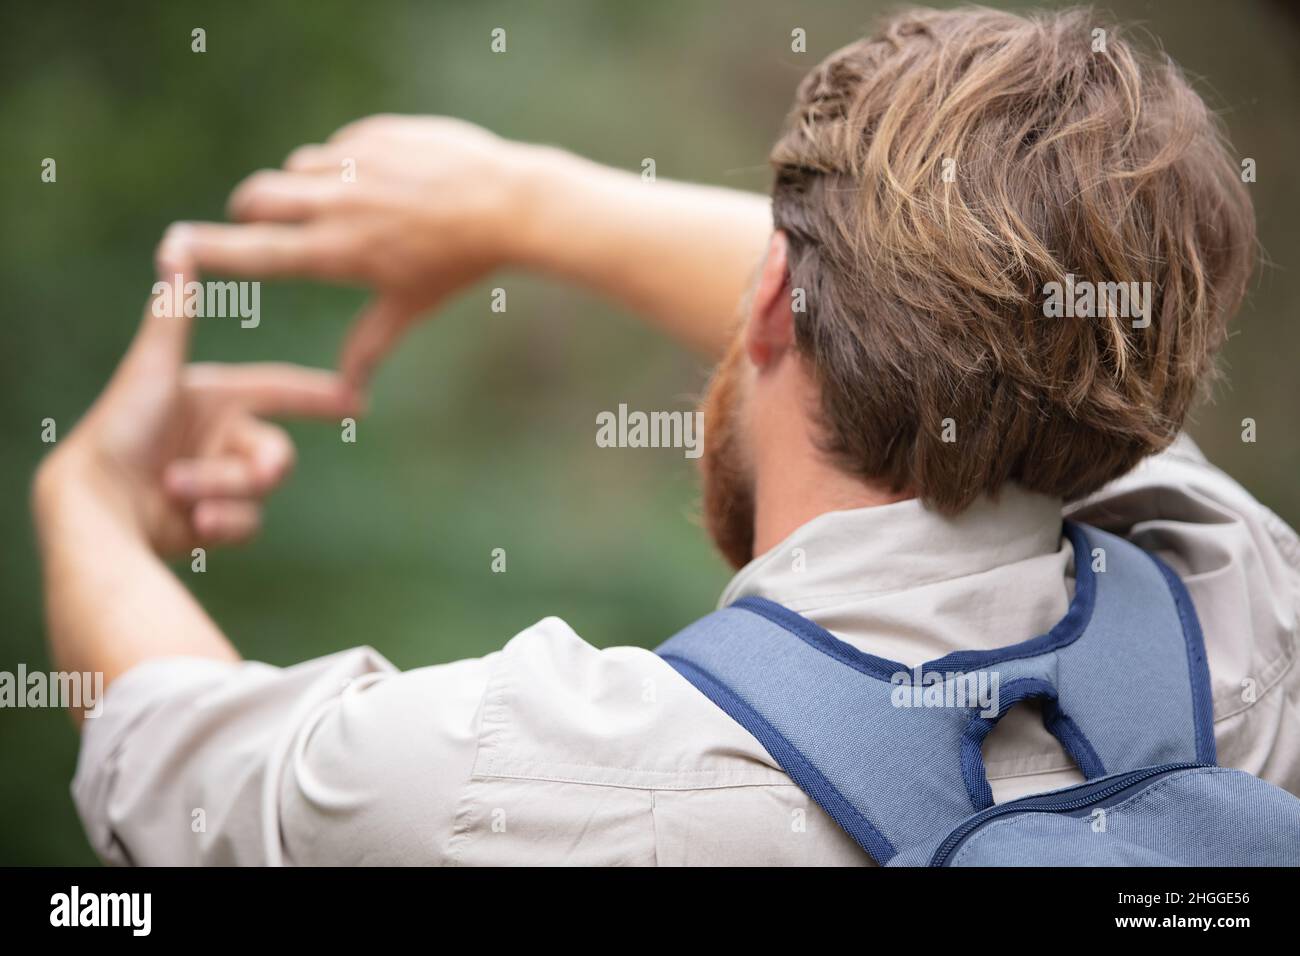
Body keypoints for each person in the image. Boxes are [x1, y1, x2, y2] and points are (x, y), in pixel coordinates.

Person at [34, 6, 1298, 866]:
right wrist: (529, 205)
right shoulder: (1242, 602)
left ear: (765, 300)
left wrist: (87, 498)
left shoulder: (504, 778)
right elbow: (1043, 344)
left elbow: (170, 757)